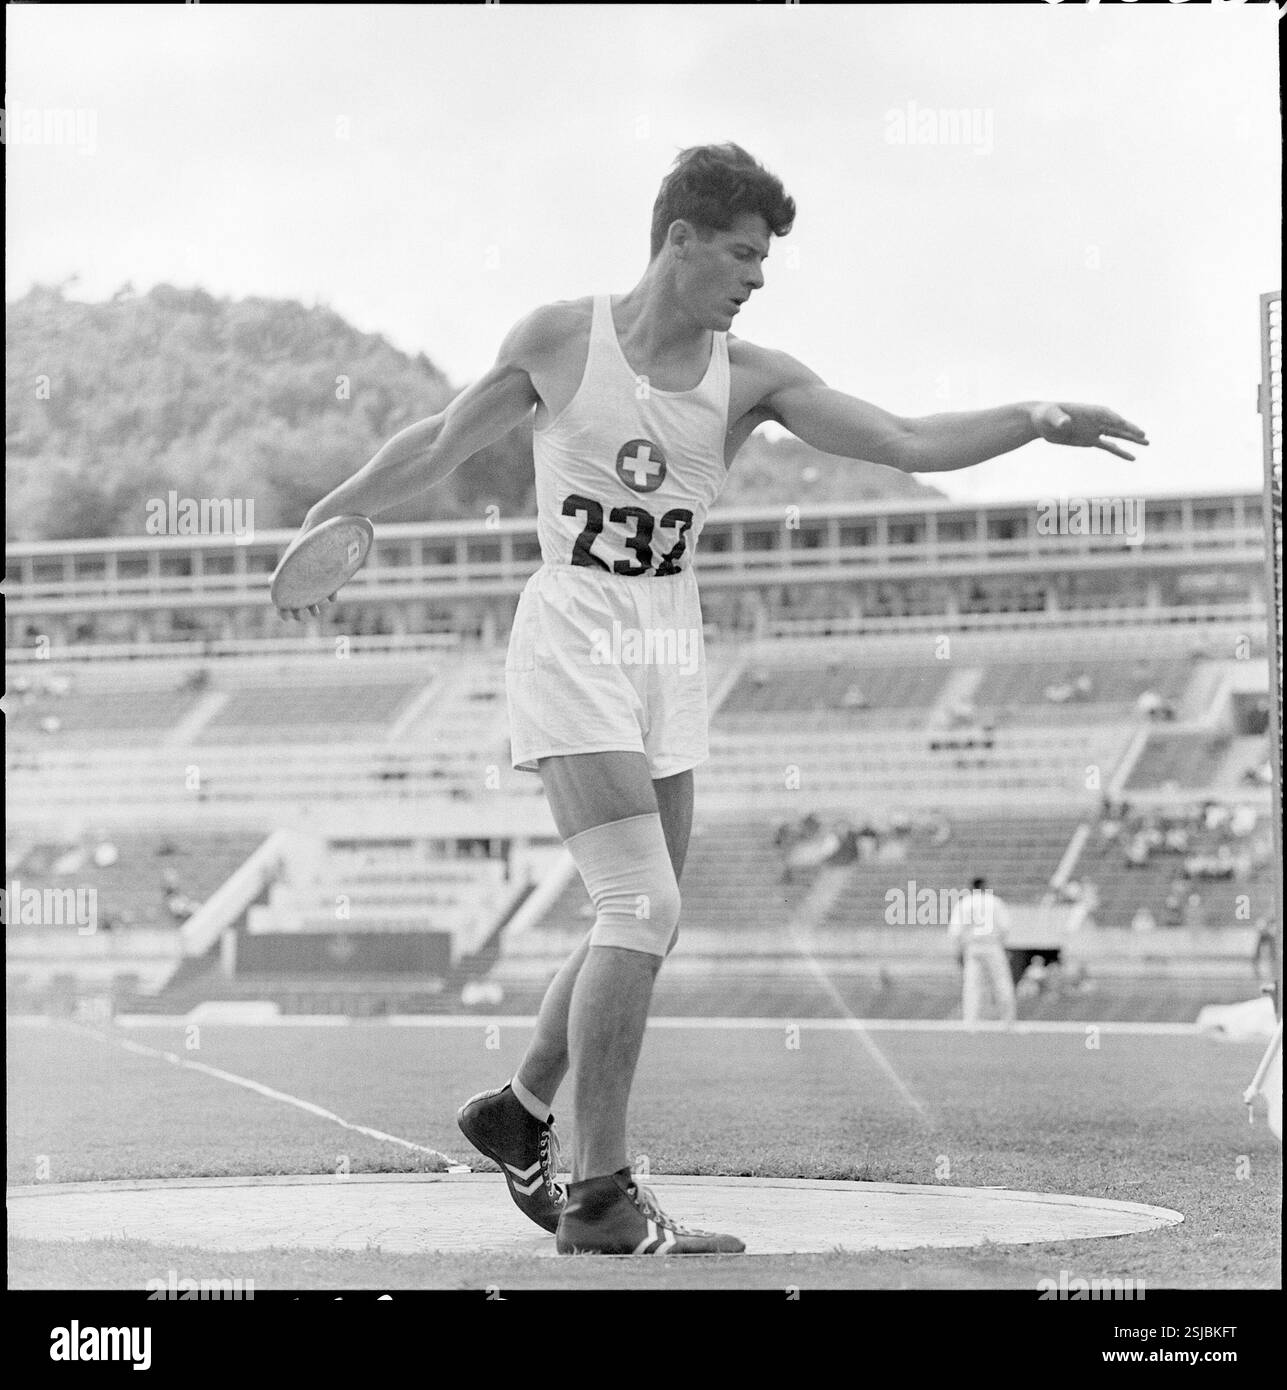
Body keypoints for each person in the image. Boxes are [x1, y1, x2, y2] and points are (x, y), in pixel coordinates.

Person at [283, 143, 1147, 1254]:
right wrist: (333, 515)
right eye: (742, 253)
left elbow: (902, 440)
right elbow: (444, 443)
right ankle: (597, 1195)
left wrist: (1033, 416)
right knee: (641, 904)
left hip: (667, 647)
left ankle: (519, 1111)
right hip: (574, 630)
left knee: (635, 909)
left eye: (766, 259)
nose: (757, 276)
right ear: (679, 239)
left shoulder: (754, 377)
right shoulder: (561, 337)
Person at [948, 876, 1017, 1028]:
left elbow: (955, 931)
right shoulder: (995, 902)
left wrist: (959, 948)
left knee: (972, 985)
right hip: (992, 945)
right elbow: (1005, 927)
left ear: (972, 888)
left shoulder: (964, 903)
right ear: (985, 887)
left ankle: (970, 1022)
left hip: (972, 946)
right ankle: (1008, 1021)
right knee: (1002, 983)